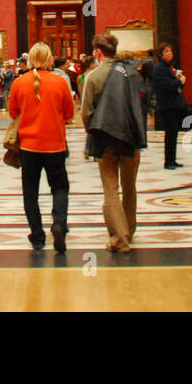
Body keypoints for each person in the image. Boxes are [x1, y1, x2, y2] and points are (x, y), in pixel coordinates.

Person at [81, 33, 147, 253]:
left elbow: (87, 112)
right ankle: (129, 228)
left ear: (98, 52)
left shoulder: (94, 76)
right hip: (131, 138)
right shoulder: (130, 73)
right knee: (130, 187)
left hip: (106, 138)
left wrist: (91, 135)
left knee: (110, 188)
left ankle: (119, 238)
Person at [8, 42, 75, 253]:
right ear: (49, 59)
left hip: (29, 147)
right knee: (60, 188)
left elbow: (12, 113)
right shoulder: (60, 82)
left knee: (30, 192)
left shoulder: (19, 83)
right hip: (55, 145)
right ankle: (59, 225)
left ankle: (37, 236)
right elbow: (70, 114)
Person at [151, 42, 187, 169]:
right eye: (166, 51)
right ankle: (169, 161)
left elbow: (174, 84)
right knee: (170, 134)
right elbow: (167, 85)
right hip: (167, 105)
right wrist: (179, 81)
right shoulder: (159, 68)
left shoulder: (169, 67)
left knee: (174, 133)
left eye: (170, 51)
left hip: (174, 104)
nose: (169, 53)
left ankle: (172, 159)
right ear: (160, 54)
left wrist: (180, 82)